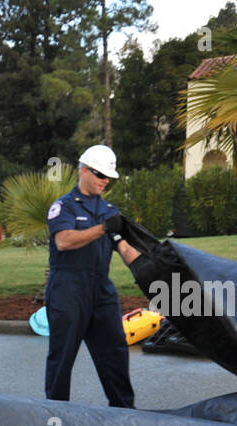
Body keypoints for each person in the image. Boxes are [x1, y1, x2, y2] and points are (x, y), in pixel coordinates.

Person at [44, 144, 143, 408]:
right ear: (84, 170)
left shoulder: (109, 210)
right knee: (62, 356)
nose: (105, 181)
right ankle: (56, 414)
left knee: (115, 352)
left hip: (101, 290)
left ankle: (124, 411)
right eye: (100, 175)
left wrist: (156, 265)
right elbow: (64, 241)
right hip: (68, 289)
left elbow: (124, 249)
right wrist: (102, 229)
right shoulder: (63, 206)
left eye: (108, 177)